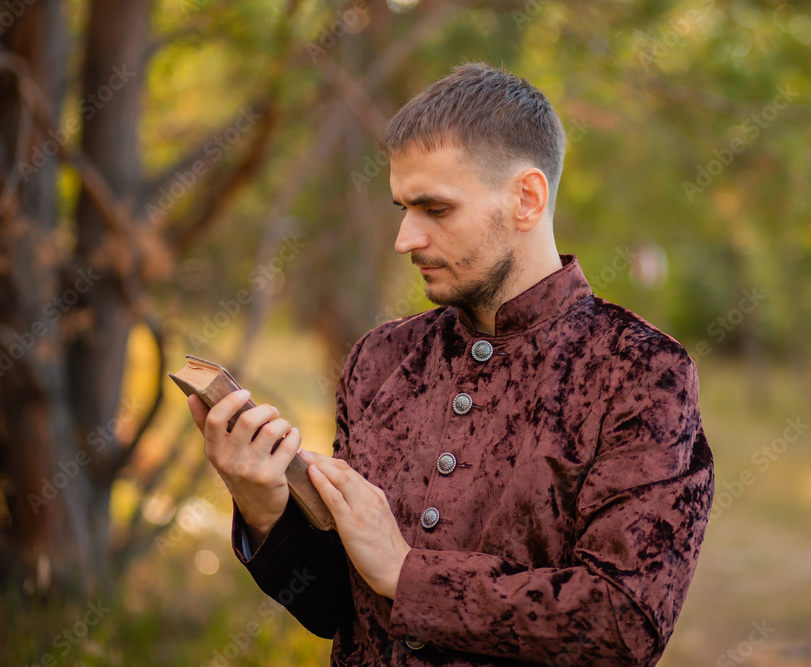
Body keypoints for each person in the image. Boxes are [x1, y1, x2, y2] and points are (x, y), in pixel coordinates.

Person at [189, 62, 714, 666]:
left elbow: (623, 625)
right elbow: (338, 608)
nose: (405, 238)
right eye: (403, 208)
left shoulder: (642, 373)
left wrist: (408, 574)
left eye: (435, 209)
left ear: (527, 198)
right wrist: (263, 508)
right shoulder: (380, 360)